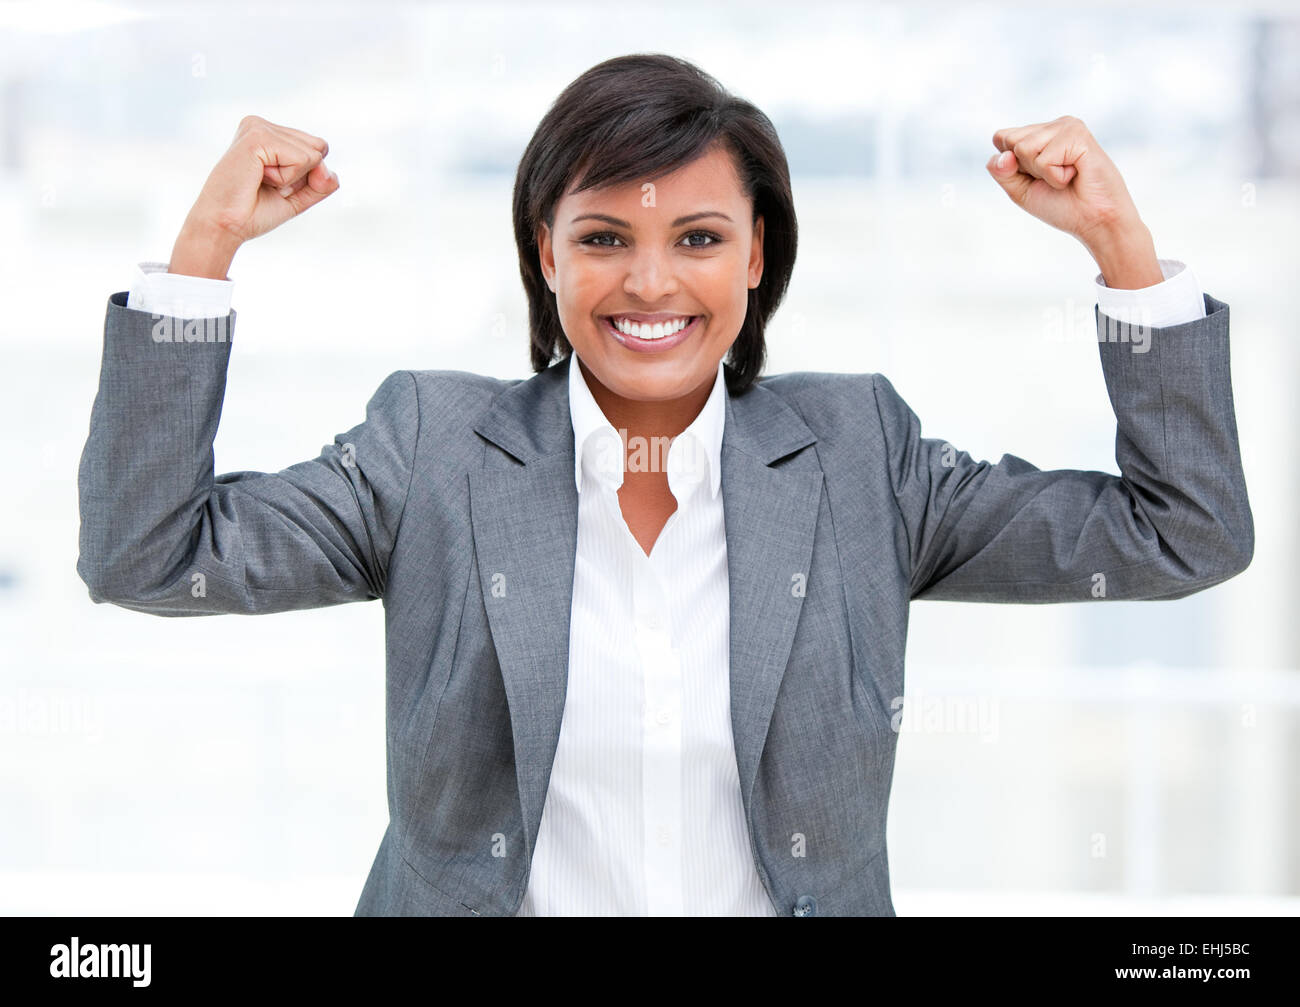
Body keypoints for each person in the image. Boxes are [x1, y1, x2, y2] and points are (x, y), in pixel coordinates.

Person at [76, 53, 1253, 916]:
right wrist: (204, 254)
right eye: (601, 238)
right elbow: (149, 553)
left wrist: (1122, 252)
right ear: (547, 253)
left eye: (696, 237)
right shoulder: (434, 446)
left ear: (756, 252)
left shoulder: (857, 454)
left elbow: (1182, 532)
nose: (649, 283)